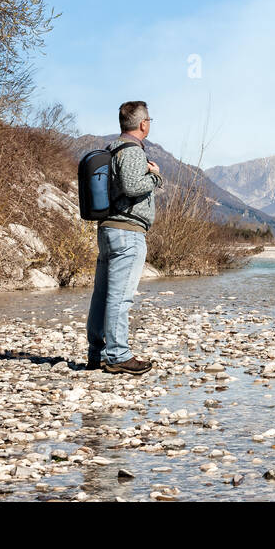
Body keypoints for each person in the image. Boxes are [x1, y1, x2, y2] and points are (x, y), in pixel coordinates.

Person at [86, 101, 164, 375]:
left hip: (109, 229)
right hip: (127, 233)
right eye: (149, 120)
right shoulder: (132, 151)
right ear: (143, 124)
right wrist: (155, 177)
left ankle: (97, 353)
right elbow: (132, 186)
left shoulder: (113, 149)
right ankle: (118, 355)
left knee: (103, 294)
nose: (150, 124)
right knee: (120, 297)